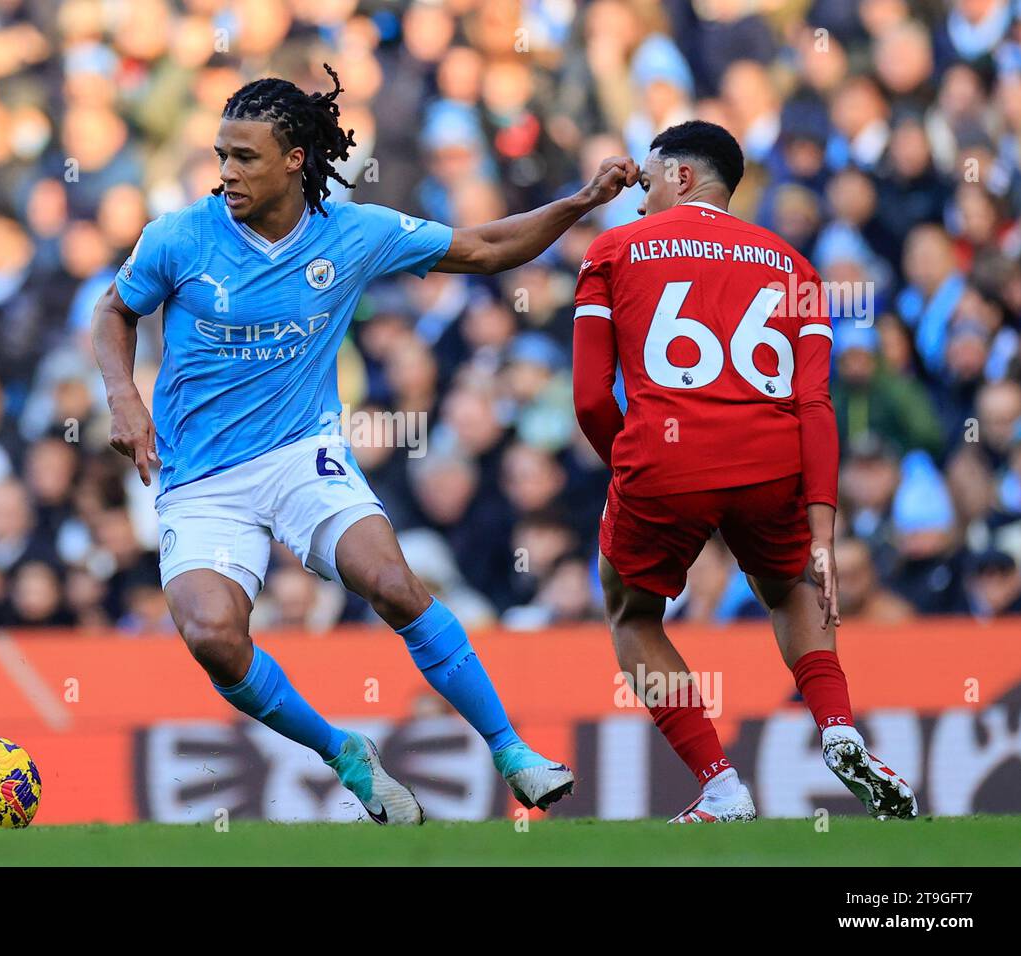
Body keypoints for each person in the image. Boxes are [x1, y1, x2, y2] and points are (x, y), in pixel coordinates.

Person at [92, 65, 636, 823]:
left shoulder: (356, 235)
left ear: (294, 160)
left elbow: (483, 249)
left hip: (299, 454)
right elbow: (112, 311)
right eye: (222, 154)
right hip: (199, 476)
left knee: (392, 581)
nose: (227, 172)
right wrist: (124, 397)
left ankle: (512, 748)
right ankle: (344, 752)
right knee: (213, 636)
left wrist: (580, 203)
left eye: (245, 157)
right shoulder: (179, 237)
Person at [571, 120, 917, 823]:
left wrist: (630, 467)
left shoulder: (611, 249)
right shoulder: (795, 265)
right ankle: (840, 727)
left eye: (646, 182)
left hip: (665, 459)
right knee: (790, 584)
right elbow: (816, 404)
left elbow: (587, 396)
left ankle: (721, 784)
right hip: (771, 460)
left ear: (682, 176)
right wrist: (822, 526)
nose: (638, 202)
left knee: (632, 611)